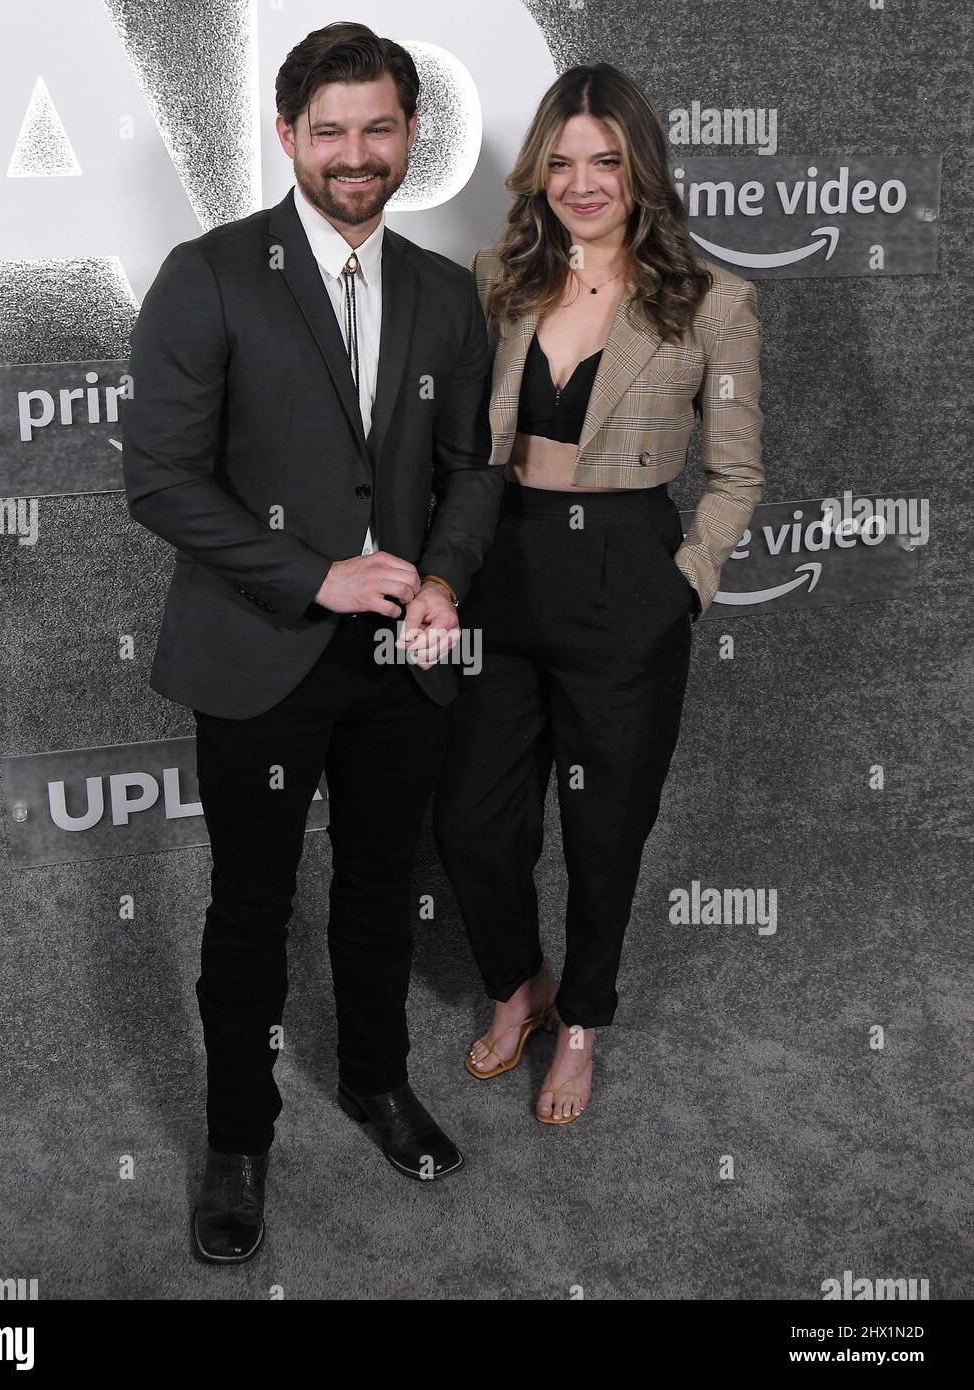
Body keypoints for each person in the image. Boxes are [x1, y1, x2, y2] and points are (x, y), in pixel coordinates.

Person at [120, 21, 503, 1262]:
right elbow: (161, 481)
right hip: (259, 646)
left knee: (384, 889)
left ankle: (379, 1082)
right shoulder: (210, 272)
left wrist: (441, 578)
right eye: (328, 130)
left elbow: (469, 469)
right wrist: (313, 573)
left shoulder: (447, 294)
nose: (354, 152)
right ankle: (238, 1140)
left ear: (409, 137)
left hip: (402, 658)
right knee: (249, 904)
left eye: (377, 127)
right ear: (284, 137)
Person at [433, 62, 763, 1124]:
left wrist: (684, 585)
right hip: (503, 564)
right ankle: (515, 982)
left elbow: (736, 472)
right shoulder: (493, 277)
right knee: (475, 824)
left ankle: (578, 1020)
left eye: (604, 161)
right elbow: (453, 443)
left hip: (628, 576)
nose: (581, 183)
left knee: (602, 830)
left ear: (638, 170)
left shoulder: (712, 300)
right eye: (562, 161)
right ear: (539, 171)